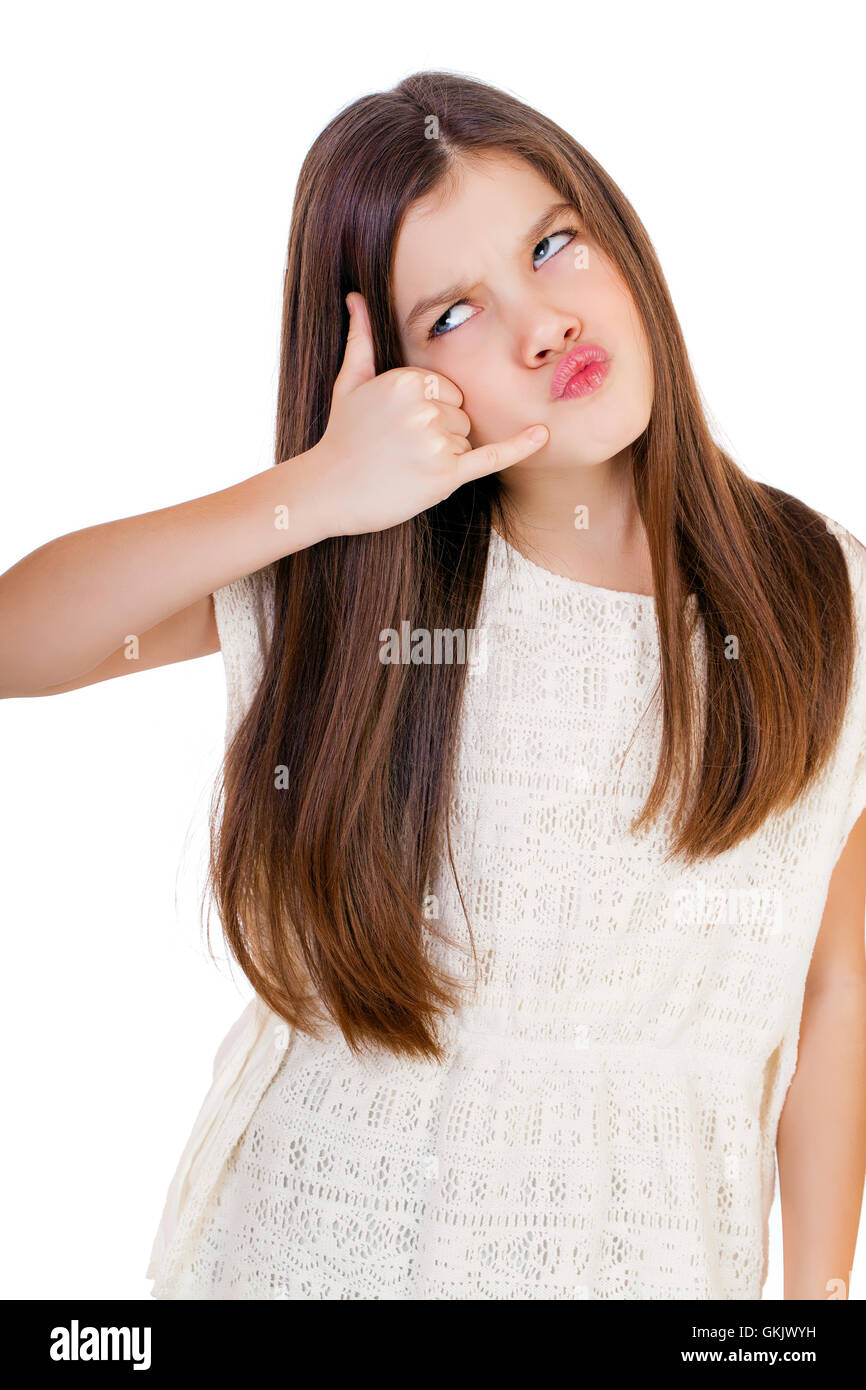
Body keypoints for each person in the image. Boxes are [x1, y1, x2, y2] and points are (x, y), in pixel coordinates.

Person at [2, 70, 865, 1301]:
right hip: (327, 1244)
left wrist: (814, 1299)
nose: (542, 324)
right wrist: (319, 492)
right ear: (395, 371)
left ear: (619, 238)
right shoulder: (357, 577)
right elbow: (16, 640)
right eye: (454, 314)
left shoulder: (823, 596)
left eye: (552, 246)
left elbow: (834, 983)